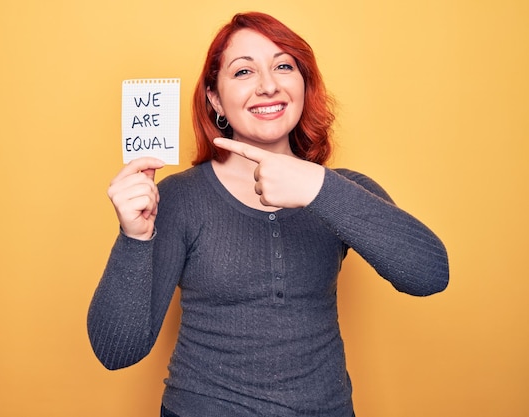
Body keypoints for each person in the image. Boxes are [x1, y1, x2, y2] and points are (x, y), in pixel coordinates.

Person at [87, 11, 449, 417]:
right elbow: (117, 351)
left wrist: (318, 188)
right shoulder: (179, 198)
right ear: (215, 97)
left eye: (283, 66)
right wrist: (134, 239)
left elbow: (430, 275)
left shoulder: (341, 190)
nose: (268, 85)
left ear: (303, 85)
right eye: (244, 72)